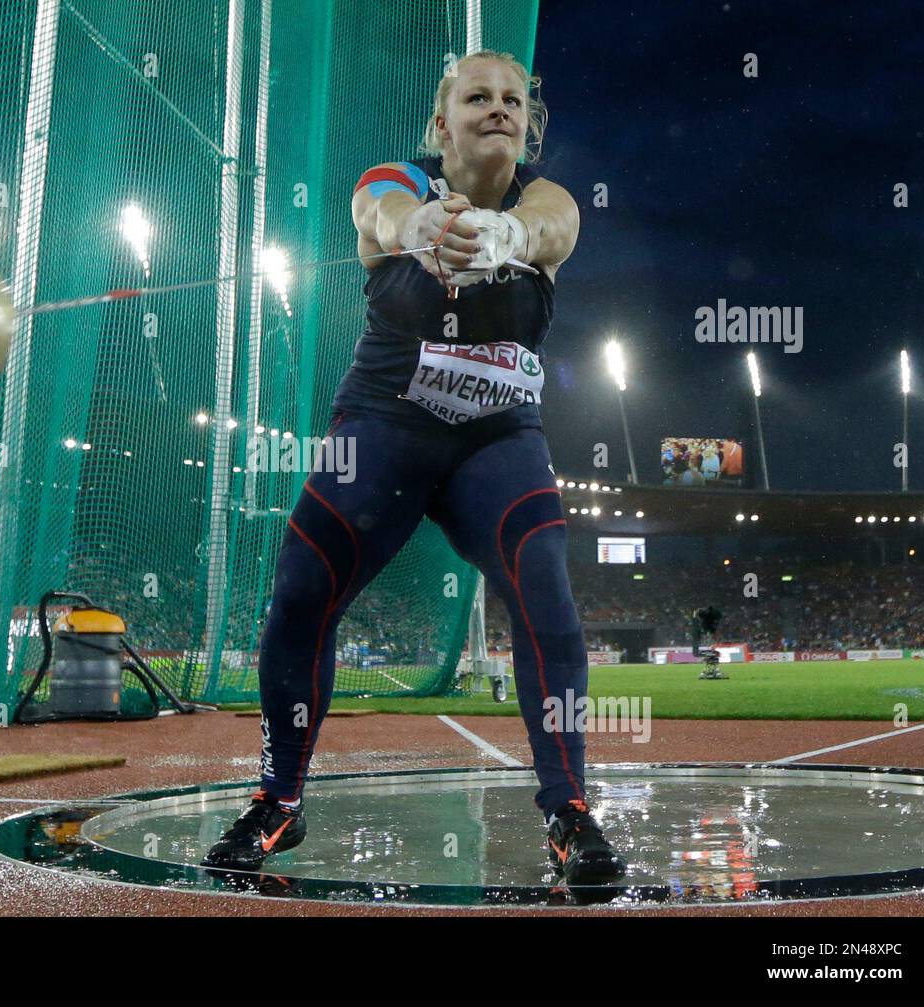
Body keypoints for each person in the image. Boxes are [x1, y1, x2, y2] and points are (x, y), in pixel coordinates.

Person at [203, 51, 626, 885]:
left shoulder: (545, 201)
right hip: (386, 428)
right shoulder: (400, 180)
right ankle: (277, 800)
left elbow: (554, 228)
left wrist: (504, 235)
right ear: (443, 123)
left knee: (548, 593)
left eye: (513, 99)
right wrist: (419, 228)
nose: (498, 109)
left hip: (497, 439)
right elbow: (376, 207)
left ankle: (570, 810)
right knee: (301, 589)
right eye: (478, 97)